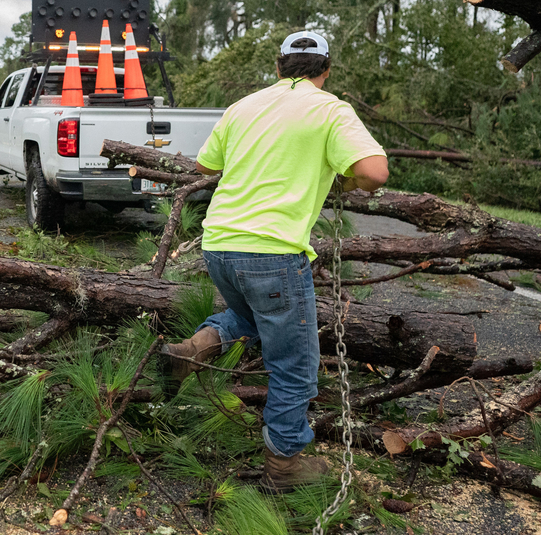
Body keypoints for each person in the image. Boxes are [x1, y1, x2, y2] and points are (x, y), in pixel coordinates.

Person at [160, 30, 389, 493]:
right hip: (272, 254)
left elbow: (206, 166)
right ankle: (284, 467)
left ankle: (194, 350)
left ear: (278, 67)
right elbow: (374, 172)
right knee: (294, 364)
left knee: (246, 315)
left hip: (219, 244)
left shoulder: (243, 107)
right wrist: (343, 181)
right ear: (326, 70)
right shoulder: (330, 109)